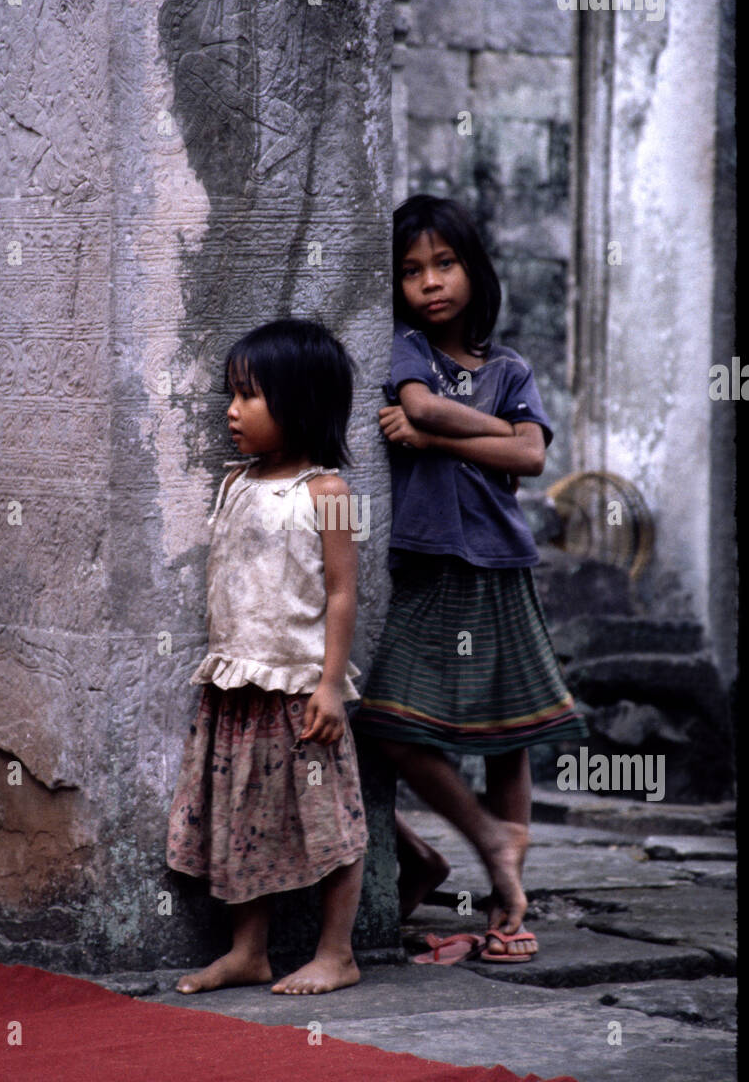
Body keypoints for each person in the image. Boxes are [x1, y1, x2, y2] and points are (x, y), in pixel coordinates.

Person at [352, 194, 588, 963]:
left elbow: (532, 459)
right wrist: (482, 428)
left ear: (473, 271)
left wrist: (435, 436)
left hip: (502, 563)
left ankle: (507, 904)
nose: (430, 283)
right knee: (386, 719)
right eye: (412, 271)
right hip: (430, 564)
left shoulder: (511, 367)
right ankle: (484, 836)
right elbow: (427, 406)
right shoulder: (408, 350)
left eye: (445, 264)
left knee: (511, 730)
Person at [166, 319, 368, 995]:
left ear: (300, 403)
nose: (231, 410)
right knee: (243, 821)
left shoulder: (327, 494)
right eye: (232, 394)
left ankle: (336, 953)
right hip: (239, 681)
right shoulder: (234, 485)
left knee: (329, 823)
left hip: (300, 689)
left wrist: (331, 685)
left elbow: (342, 593)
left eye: (248, 396)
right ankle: (248, 950)